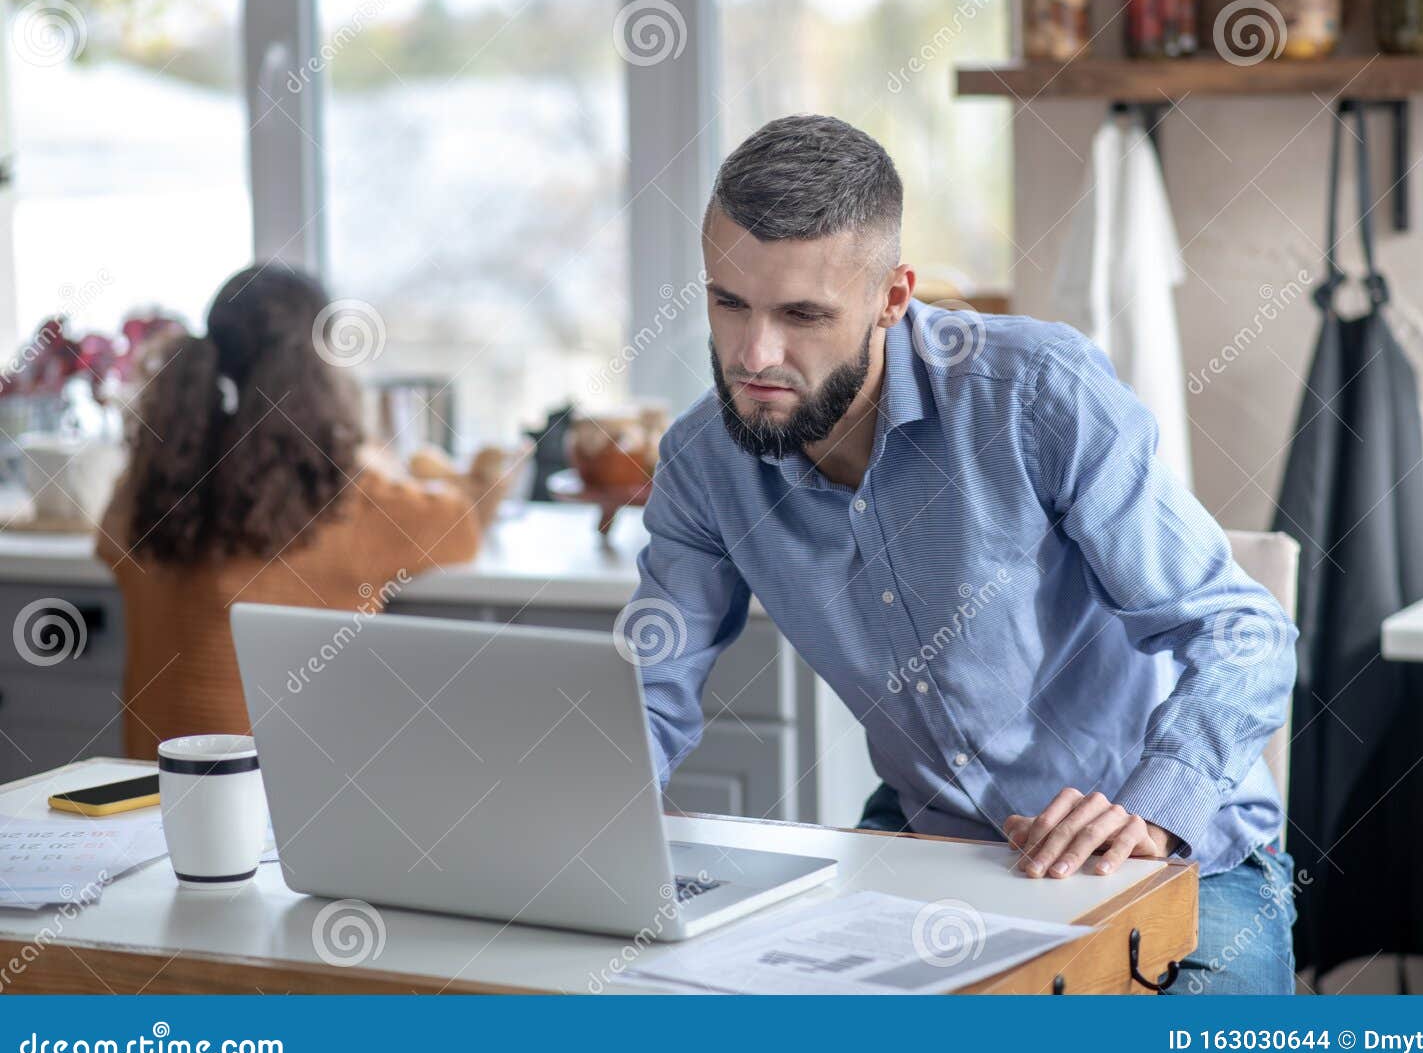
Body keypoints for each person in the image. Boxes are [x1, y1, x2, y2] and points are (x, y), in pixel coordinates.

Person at [624, 114, 1301, 993]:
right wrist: (587, 830)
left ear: (893, 297)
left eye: (802, 315)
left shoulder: (1038, 392)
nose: (755, 356)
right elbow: (648, 692)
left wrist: (1150, 807)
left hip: (1173, 853)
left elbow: (1243, 631)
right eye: (729, 303)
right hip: (929, 839)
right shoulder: (704, 461)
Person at [96, 263, 519, 760]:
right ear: (318, 368)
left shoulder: (147, 485)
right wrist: (415, 461)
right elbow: (462, 522)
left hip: (150, 793)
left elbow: (107, 542)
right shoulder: (342, 498)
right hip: (282, 804)